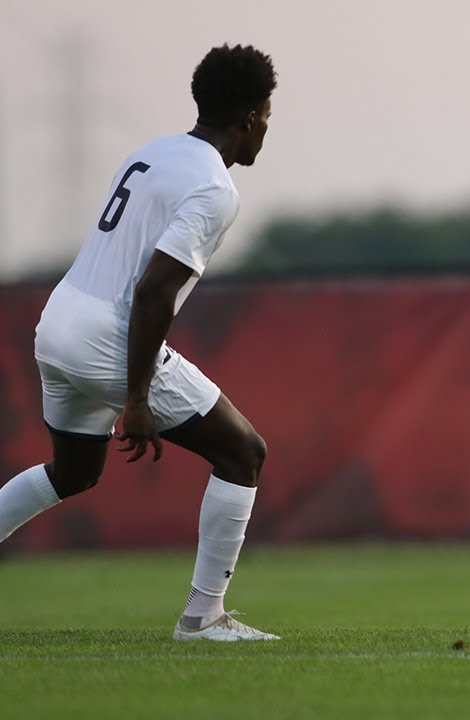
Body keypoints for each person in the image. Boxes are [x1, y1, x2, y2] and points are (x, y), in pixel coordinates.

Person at [0, 45, 279, 640]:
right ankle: (203, 618)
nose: (267, 131)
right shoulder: (214, 188)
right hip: (108, 336)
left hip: (57, 324)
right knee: (243, 452)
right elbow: (154, 292)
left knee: (72, 473)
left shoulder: (153, 152)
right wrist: (136, 399)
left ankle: (205, 616)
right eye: (268, 116)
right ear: (252, 116)